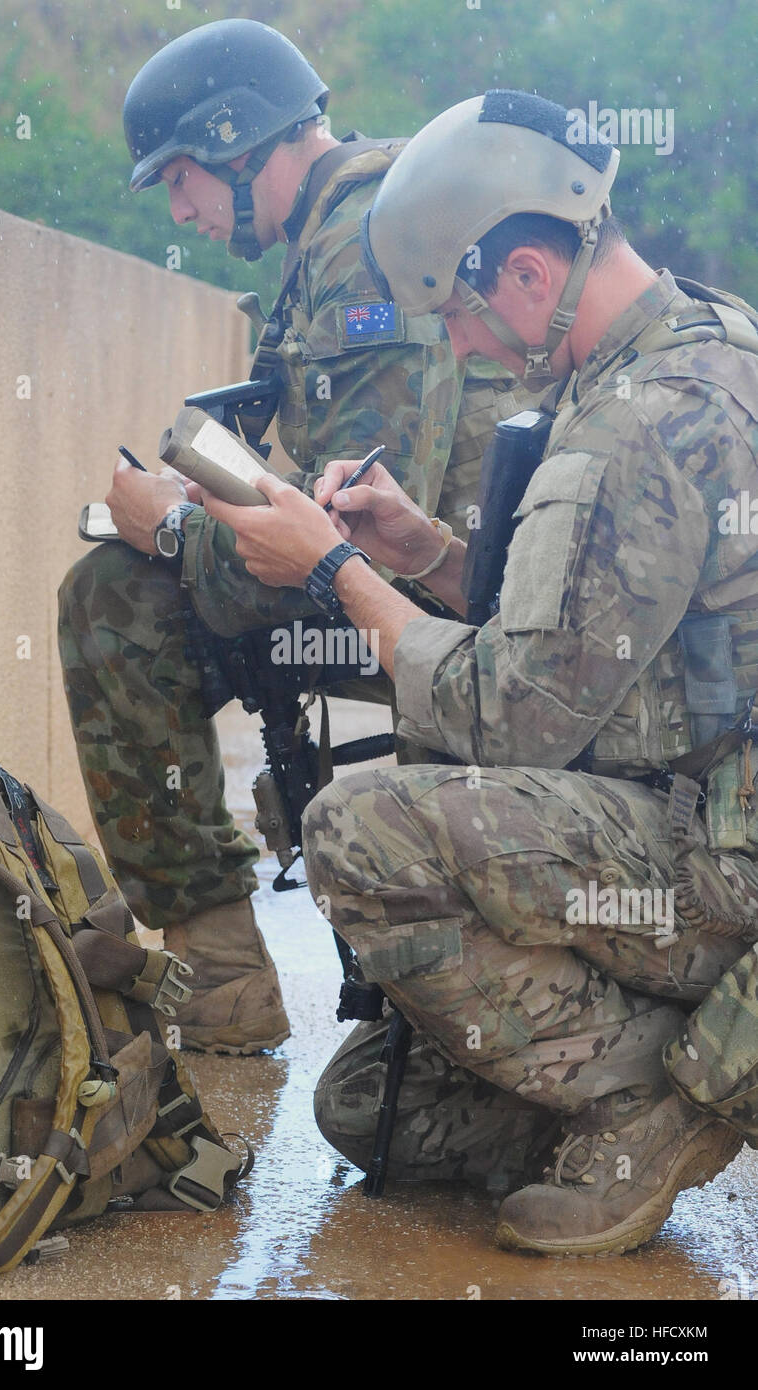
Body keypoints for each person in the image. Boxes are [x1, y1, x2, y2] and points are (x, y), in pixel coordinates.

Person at [197, 89, 758, 1254]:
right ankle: (648, 1065)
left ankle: (667, 1095)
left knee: (360, 828)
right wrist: (425, 556)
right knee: (377, 1112)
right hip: (698, 806)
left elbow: (512, 715)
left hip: (721, 867)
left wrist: (335, 570)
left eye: (451, 312)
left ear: (524, 272)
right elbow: (601, 639)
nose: (454, 346)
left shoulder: (639, 422)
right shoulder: (695, 347)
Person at [57, 23, 522, 1056]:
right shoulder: (334, 225)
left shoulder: (364, 240)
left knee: (111, 597)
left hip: (456, 612)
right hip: (433, 590)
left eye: (178, 178)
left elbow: (338, 539)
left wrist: (174, 527)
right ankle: (221, 981)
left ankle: (232, 976)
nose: (176, 208)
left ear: (235, 146)